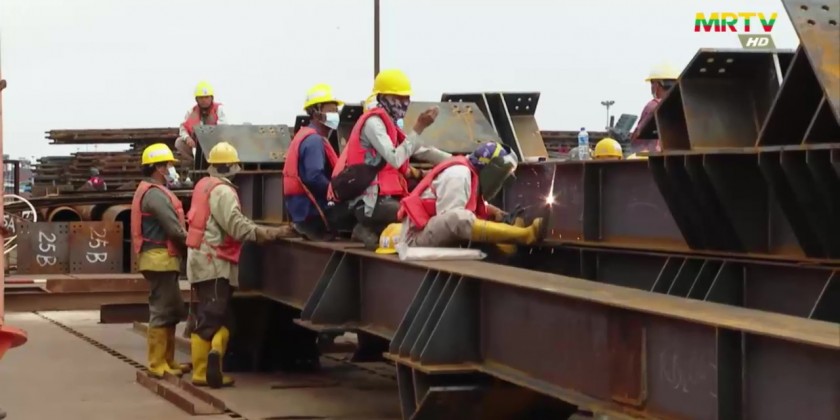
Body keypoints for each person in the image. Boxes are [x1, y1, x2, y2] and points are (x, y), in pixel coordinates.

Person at [185, 141, 293, 388]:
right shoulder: (223, 191)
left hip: (204, 260)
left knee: (223, 319)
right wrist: (268, 233)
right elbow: (236, 226)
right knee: (211, 317)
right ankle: (202, 372)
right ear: (233, 167)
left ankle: (213, 357)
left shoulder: (204, 185)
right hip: (213, 263)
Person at [329, 69, 451, 249]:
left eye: (407, 98)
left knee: (419, 210)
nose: (405, 103)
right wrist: (418, 127)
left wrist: (455, 160)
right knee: (415, 217)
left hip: (387, 198)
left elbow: (420, 149)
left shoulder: (390, 125)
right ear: (383, 97)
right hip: (370, 202)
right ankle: (365, 226)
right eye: (399, 98)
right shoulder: (373, 124)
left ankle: (370, 230)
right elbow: (395, 159)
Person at [394, 141, 544, 248]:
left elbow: (471, 203)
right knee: (459, 218)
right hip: (413, 241)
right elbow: (450, 222)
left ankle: (514, 235)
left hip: (426, 233)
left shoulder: (470, 173)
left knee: (470, 220)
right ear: (493, 169)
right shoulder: (459, 175)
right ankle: (524, 235)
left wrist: (497, 214)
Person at [130, 143, 190, 378]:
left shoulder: (152, 191)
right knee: (162, 310)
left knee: (173, 309)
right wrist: (193, 245)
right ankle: (157, 364)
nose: (170, 169)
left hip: (162, 259)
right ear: (156, 167)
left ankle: (169, 360)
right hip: (159, 259)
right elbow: (174, 230)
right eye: (166, 165)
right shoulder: (154, 195)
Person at [283, 84, 354, 240]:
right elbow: (314, 177)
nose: (335, 115)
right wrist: (337, 192)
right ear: (316, 113)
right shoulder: (314, 141)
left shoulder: (307, 136)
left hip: (304, 213)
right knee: (360, 211)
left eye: (336, 111)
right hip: (314, 215)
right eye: (330, 110)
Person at [629, 63, 679, 154]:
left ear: (656, 85)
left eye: (652, 82)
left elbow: (638, 135)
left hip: (650, 157)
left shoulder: (653, 106)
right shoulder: (680, 106)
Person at [175, 81, 227, 159]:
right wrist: (187, 138)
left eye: (206, 97)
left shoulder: (219, 109)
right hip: (197, 144)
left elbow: (223, 127)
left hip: (215, 143)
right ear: (197, 99)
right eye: (201, 98)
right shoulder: (191, 111)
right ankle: (193, 163)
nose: (204, 100)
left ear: (211, 98)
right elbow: (183, 128)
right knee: (179, 142)